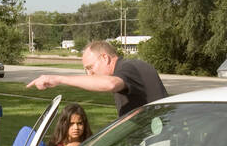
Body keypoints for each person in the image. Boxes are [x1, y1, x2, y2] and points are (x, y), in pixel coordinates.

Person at [26, 41, 168, 117]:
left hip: (156, 145)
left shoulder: (128, 67)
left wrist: (58, 79)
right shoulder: (128, 67)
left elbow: (110, 84)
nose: (89, 74)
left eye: (90, 67)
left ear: (105, 58)